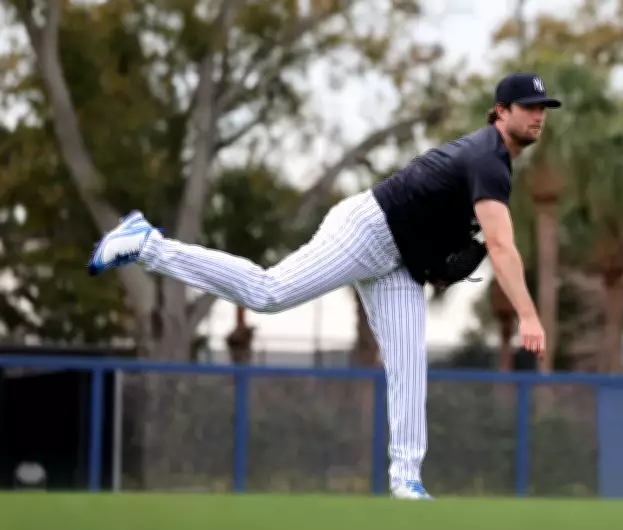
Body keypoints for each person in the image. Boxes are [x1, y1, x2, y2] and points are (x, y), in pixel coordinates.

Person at [87, 72, 561, 500]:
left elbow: (463, 234)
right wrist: (529, 314)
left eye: (543, 108)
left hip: (399, 263)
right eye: (528, 107)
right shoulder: (488, 159)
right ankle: (147, 244)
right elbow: (501, 246)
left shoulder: (492, 161)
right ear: (501, 111)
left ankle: (406, 481)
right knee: (268, 293)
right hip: (367, 230)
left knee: (409, 363)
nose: (538, 116)